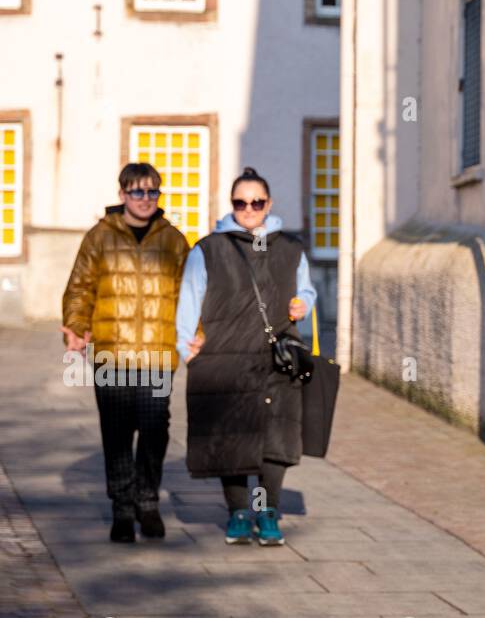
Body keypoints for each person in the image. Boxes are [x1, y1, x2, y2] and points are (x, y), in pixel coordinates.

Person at [175, 167, 316, 546]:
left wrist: (304, 304)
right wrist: (186, 348)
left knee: (276, 435)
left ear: (268, 204)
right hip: (226, 354)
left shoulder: (289, 247)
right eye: (241, 202)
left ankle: (267, 511)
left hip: (278, 355)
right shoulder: (208, 248)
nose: (249, 208)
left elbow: (306, 290)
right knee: (230, 435)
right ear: (232, 205)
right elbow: (189, 297)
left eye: (256, 202)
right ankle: (238, 511)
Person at [61, 163, 189, 542]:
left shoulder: (174, 240)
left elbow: (191, 295)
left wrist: (196, 336)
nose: (145, 199)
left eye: (152, 192)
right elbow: (80, 287)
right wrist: (76, 327)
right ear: (122, 195)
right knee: (116, 432)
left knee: (154, 428)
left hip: (156, 354)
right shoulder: (99, 237)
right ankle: (121, 507)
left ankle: (147, 502)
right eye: (137, 192)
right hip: (111, 355)